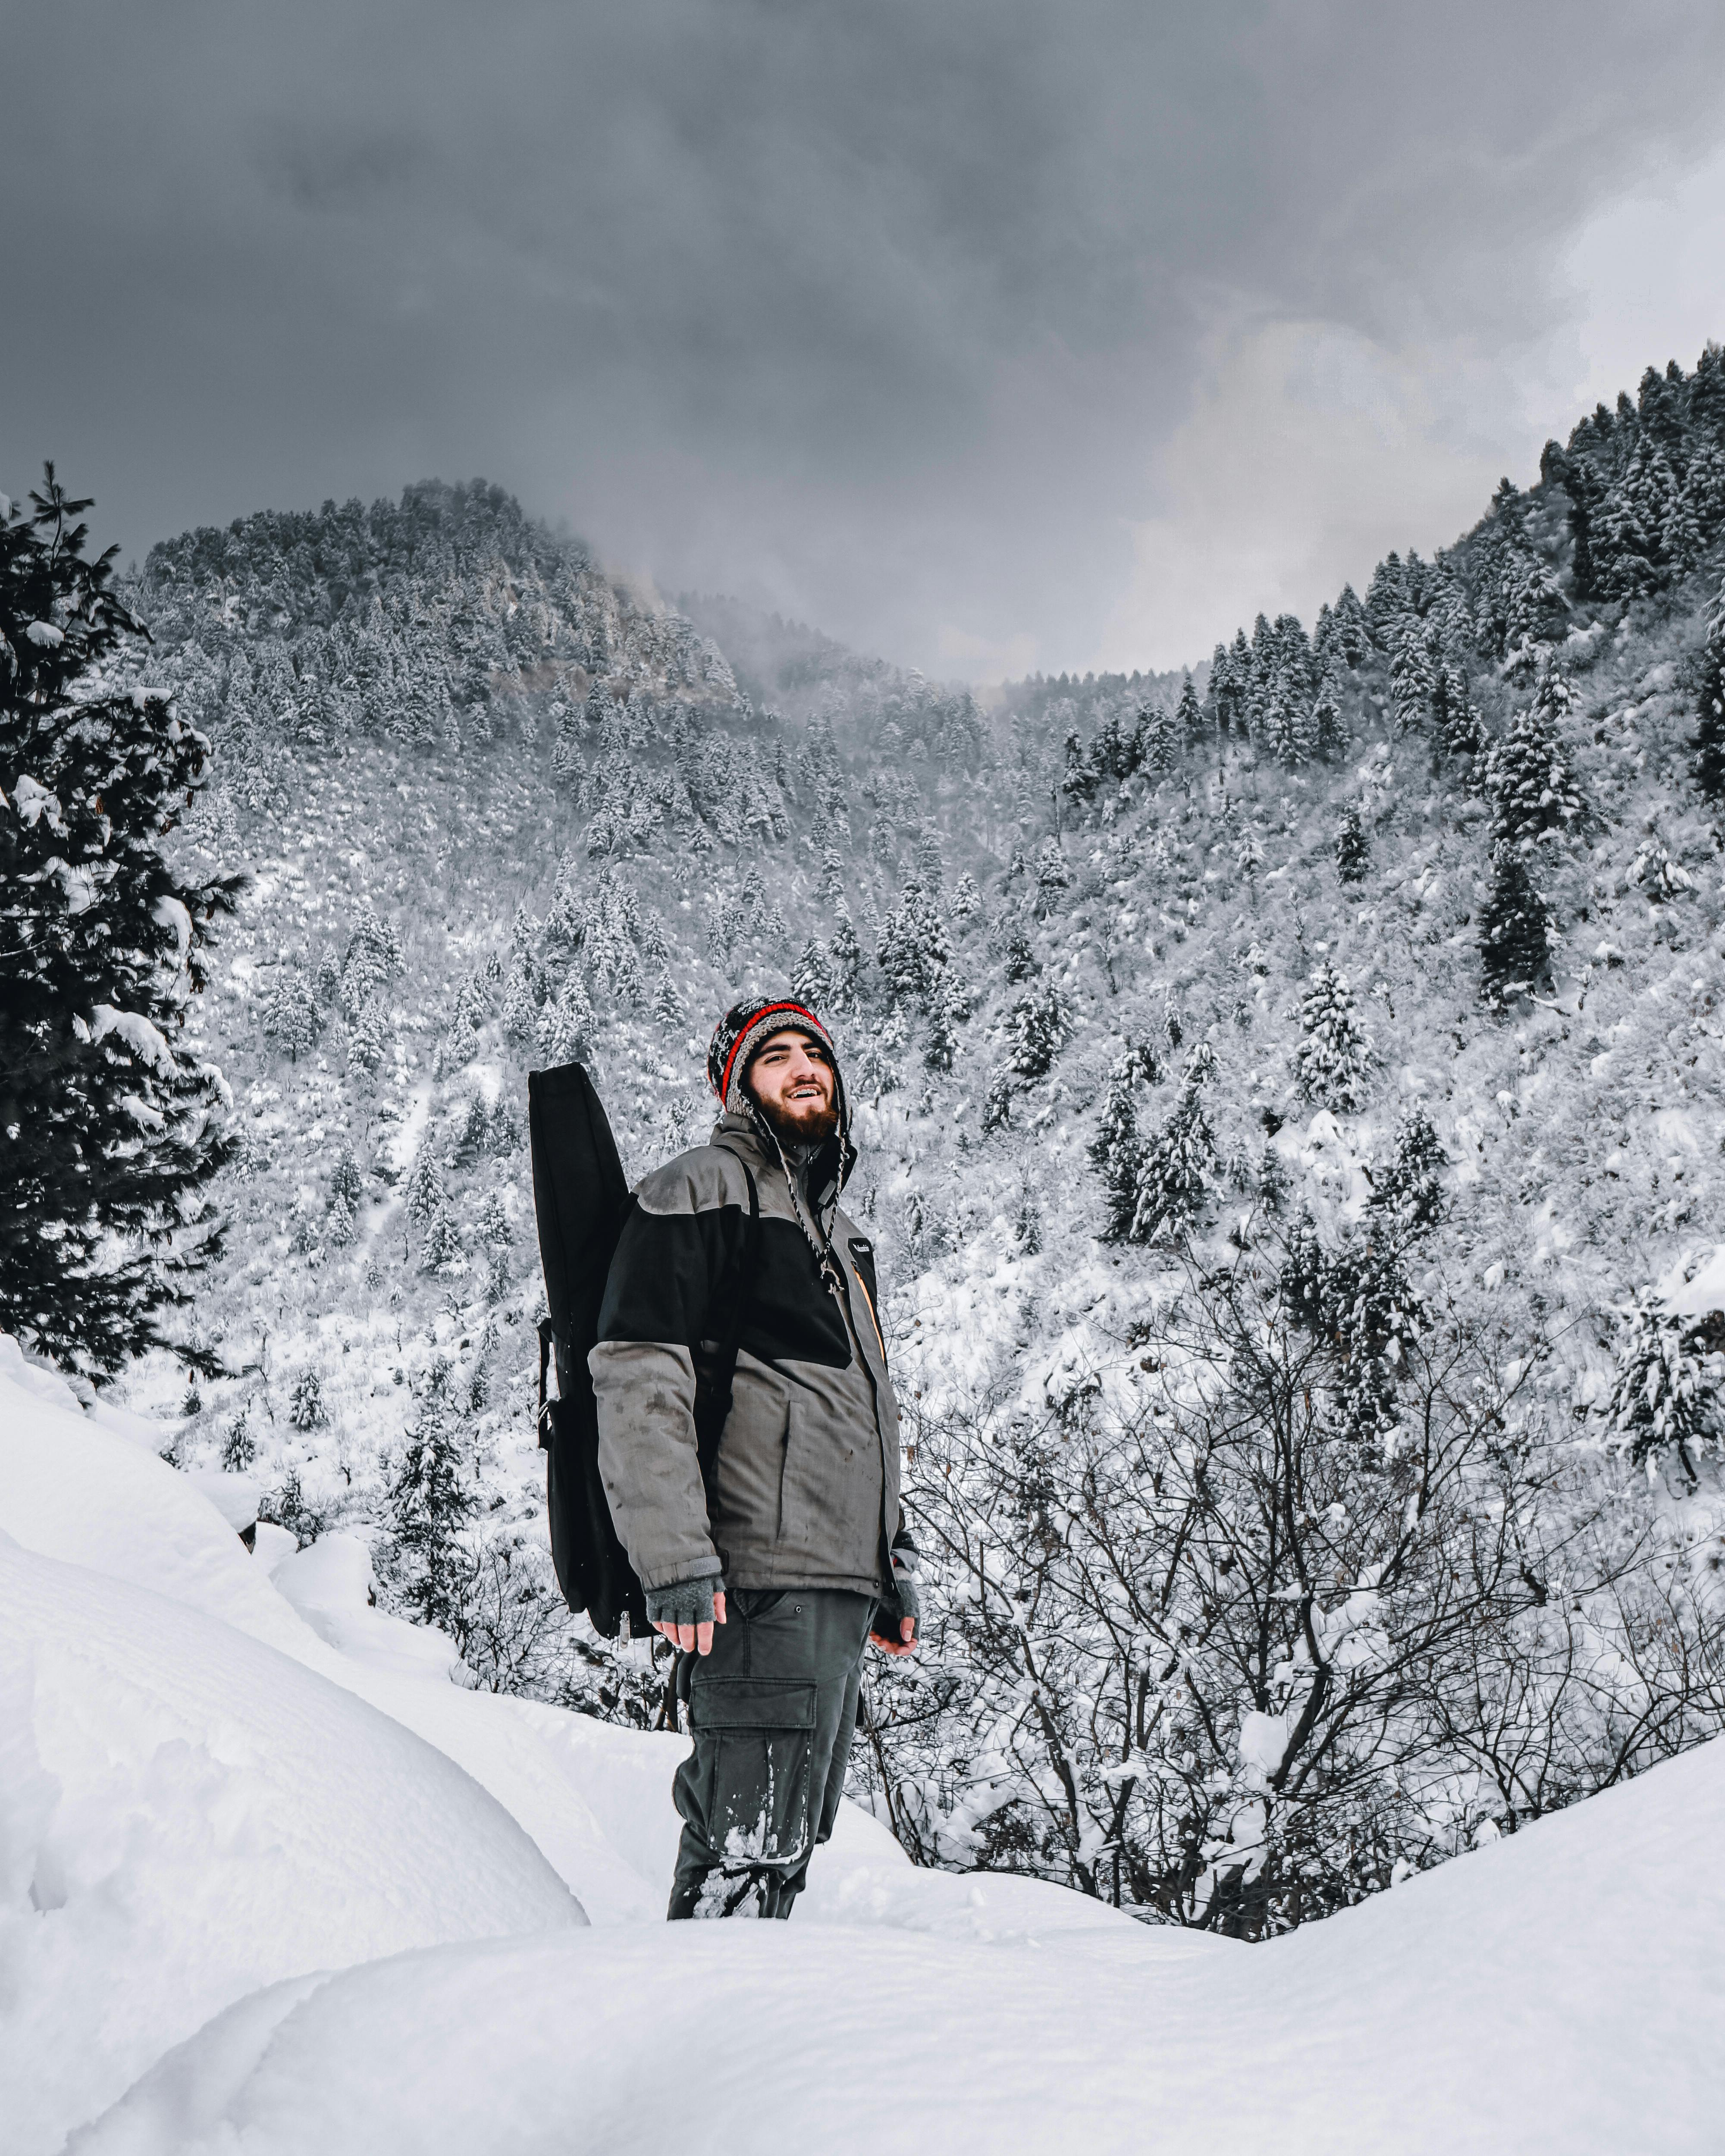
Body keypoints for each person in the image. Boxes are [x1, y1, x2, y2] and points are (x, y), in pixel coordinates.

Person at [590, 996, 919, 1920]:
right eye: (776, 1055)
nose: (805, 1066)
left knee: (790, 1839)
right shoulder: (700, 1189)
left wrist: (889, 1565)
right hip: (756, 1583)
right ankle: (706, 2006)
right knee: (744, 1843)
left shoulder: (840, 1236)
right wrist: (676, 1561)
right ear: (736, 1087)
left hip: (832, 1586)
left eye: (816, 1051)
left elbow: (864, 1413)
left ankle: (745, 2002)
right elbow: (639, 1375)